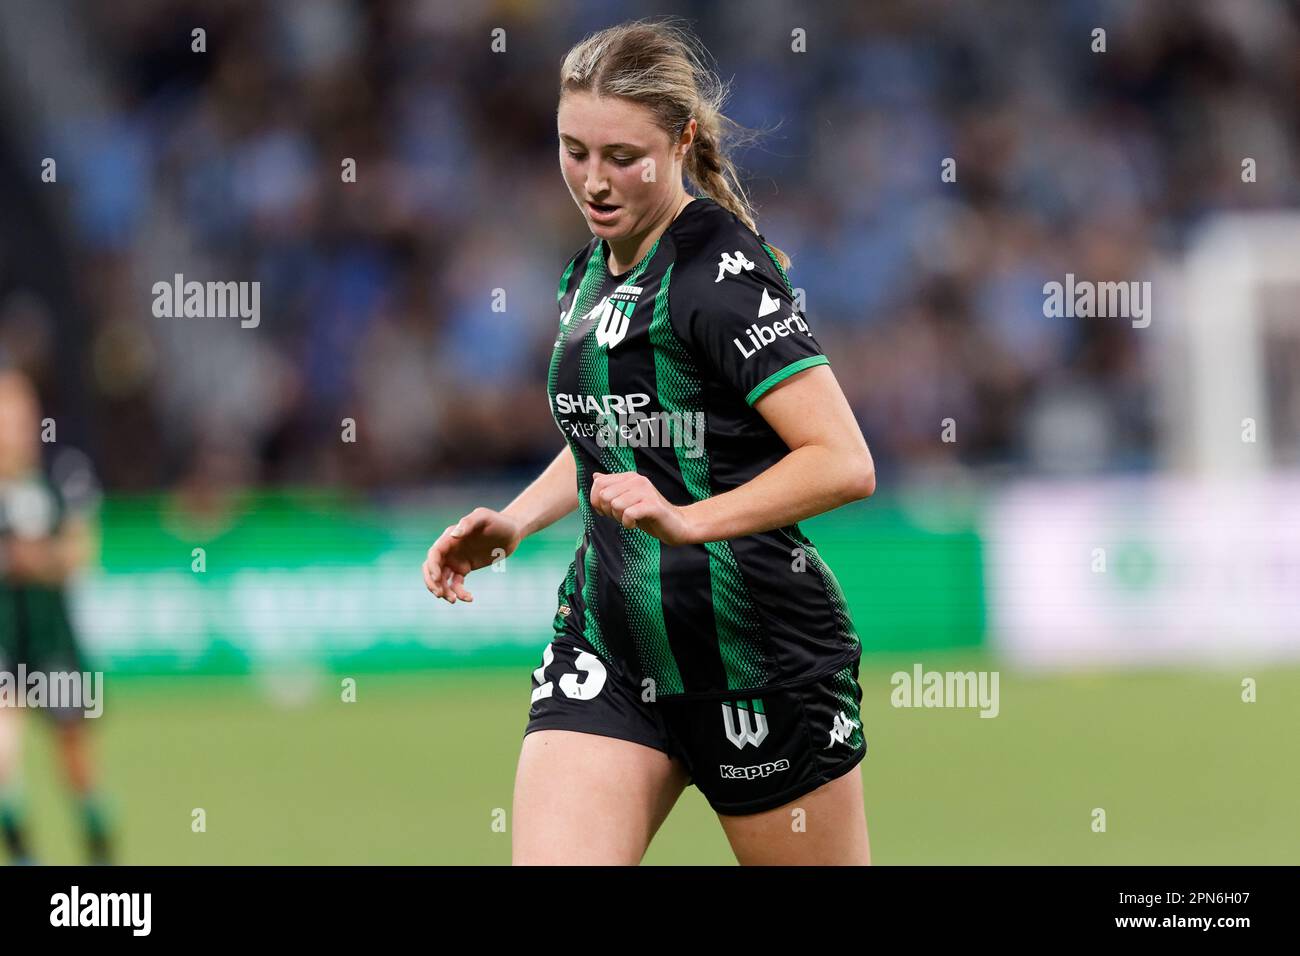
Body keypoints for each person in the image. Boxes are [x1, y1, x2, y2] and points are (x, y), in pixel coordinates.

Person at [422, 19, 876, 865]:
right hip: (608, 644)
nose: (593, 181)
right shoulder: (591, 268)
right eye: (574, 150)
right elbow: (615, 435)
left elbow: (844, 462)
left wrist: (690, 520)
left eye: (623, 156)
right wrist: (516, 522)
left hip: (753, 657)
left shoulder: (719, 274)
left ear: (682, 141)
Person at [0, 368, 112, 865]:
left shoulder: (62, 471)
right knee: (3, 753)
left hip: (52, 638)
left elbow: (82, 550)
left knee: (76, 760)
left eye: (18, 414)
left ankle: (98, 845)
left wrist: (36, 560)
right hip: (3, 638)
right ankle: (26, 858)